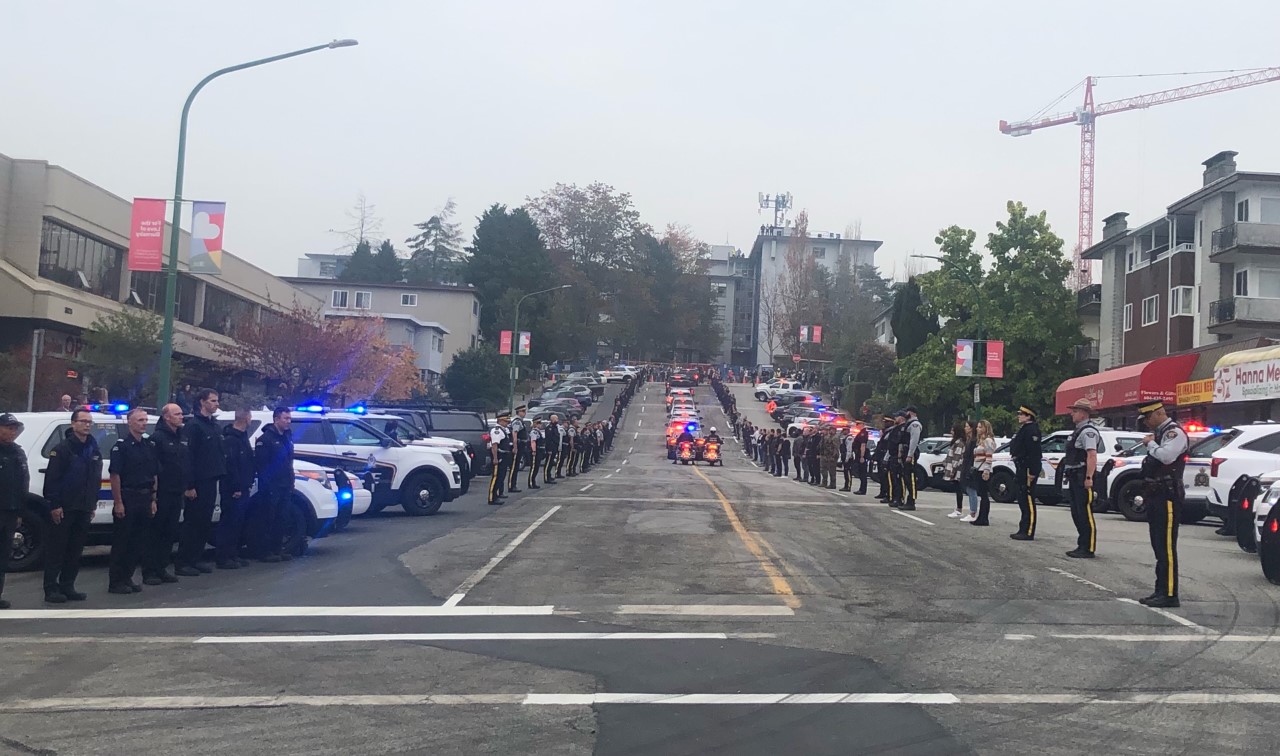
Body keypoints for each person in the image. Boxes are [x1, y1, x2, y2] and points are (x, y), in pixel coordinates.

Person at [40, 408, 102, 603]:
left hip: (83, 507)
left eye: (89, 422)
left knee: (75, 550)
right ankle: (51, 589)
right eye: (83, 421)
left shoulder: (94, 449)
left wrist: (92, 504)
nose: (87, 425)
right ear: (73, 424)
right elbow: (52, 479)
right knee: (57, 549)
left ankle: (68, 585)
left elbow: (95, 479)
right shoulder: (62, 449)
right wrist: (55, 505)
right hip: (65, 507)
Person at [1137, 402, 1190, 608]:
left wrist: (1151, 445)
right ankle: (1161, 589)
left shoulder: (1173, 433)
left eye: (1148, 418)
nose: (1147, 423)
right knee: (1158, 544)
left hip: (1167, 496)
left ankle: (1169, 593)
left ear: (1159, 414)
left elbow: (1167, 457)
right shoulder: (1160, 434)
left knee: (1166, 546)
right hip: (1156, 495)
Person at [107, 408, 158, 595]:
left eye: (145, 420)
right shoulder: (121, 447)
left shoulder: (149, 445)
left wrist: (153, 498)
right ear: (130, 422)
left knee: (138, 541)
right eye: (139, 420)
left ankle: (127, 577)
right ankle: (116, 581)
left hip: (145, 497)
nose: (143, 423)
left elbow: (154, 474)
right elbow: (115, 475)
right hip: (128, 496)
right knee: (123, 541)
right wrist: (118, 502)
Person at [178, 388, 225, 575]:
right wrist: (189, 485)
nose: (216, 404)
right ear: (202, 402)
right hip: (197, 483)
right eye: (213, 401)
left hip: (211, 480)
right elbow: (187, 457)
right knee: (192, 523)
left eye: (217, 400)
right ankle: (183, 562)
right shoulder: (194, 426)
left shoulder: (213, 425)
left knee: (204, 522)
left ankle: (195, 558)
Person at [146, 404, 189, 582]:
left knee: (169, 533)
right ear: (167, 417)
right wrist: (153, 495)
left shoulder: (180, 436)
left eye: (181, 414)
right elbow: (153, 468)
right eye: (177, 414)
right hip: (162, 492)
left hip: (176, 491)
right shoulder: (158, 438)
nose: (181, 417)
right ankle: (149, 571)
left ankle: (161, 568)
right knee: (156, 533)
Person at [253, 407, 295, 561]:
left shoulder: (287, 437)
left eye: (289, 418)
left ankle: (277, 549)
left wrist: (291, 482)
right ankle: (264, 552)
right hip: (271, 487)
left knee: (281, 518)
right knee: (267, 519)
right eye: (285, 418)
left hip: (285, 485)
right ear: (276, 419)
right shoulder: (266, 439)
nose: (288, 421)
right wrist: (268, 486)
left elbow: (288, 462)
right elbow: (262, 466)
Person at [1061, 399, 1101, 558]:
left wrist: (1089, 477)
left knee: (1084, 512)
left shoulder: (1088, 432)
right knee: (1076, 512)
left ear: (1084, 414)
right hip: (1074, 475)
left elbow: (1091, 455)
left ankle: (1088, 547)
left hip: (1082, 475)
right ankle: (1082, 544)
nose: (1072, 413)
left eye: (1075, 411)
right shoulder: (1078, 431)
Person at [217, 408, 254, 570]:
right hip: (233, 489)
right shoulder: (231, 439)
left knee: (238, 523)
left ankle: (233, 554)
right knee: (229, 523)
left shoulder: (242, 437)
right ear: (245, 418)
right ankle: (224, 557)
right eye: (250, 417)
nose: (251, 420)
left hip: (243, 486)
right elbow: (231, 465)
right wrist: (236, 486)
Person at [0, 414, 30, 609]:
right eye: (8, 428)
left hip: (11, 512)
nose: (12, 432)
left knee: (3, 556)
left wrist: (20, 511)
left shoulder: (18, 453)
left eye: (14, 429)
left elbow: (23, 483)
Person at [1009, 405, 1043, 542]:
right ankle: (1022, 528)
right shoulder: (1024, 429)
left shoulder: (1032, 430)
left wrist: (1033, 472)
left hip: (1028, 468)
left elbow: (1034, 453)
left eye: (1021, 414)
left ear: (1029, 416)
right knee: (1022, 499)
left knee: (1028, 500)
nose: (1019, 416)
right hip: (1021, 466)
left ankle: (1028, 531)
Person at [970, 420, 997, 527]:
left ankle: (984, 518)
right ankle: (981, 517)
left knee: (984, 495)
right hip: (978, 468)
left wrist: (986, 471)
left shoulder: (988, 441)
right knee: (982, 494)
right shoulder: (981, 441)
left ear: (986, 428)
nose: (977, 429)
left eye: (980, 427)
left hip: (983, 469)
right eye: (978, 427)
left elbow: (989, 457)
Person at [942, 422, 968, 518]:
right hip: (953, 468)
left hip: (957, 470)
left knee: (959, 489)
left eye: (953, 430)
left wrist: (953, 470)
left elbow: (957, 457)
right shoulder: (955, 442)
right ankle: (958, 508)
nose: (951, 432)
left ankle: (959, 509)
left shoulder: (959, 443)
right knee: (957, 489)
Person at [900, 406, 923, 511]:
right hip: (906, 451)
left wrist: (910, 455)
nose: (906, 413)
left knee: (911, 477)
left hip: (911, 453)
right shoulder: (908, 424)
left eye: (907, 411)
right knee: (906, 477)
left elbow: (914, 440)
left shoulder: (915, 425)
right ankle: (908, 500)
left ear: (912, 413)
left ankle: (912, 501)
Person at [488, 412, 512, 504]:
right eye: (505, 421)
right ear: (500, 421)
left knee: (501, 476)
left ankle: (496, 495)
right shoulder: (496, 430)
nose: (507, 423)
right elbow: (494, 445)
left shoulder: (503, 430)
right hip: (499, 455)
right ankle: (492, 498)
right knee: (496, 477)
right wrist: (495, 458)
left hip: (504, 455)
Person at [874, 416, 896, 501]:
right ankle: (883, 492)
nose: (885, 423)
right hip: (881, 455)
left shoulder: (891, 431)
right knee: (882, 476)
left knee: (886, 477)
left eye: (887, 422)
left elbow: (888, 444)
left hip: (886, 455)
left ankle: (888, 494)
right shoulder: (885, 431)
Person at [507, 406, 529, 493]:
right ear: (518, 412)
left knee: (516, 467)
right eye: (523, 411)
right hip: (518, 445)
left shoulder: (520, 421)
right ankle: (511, 486)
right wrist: (515, 447)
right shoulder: (517, 421)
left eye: (525, 411)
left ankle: (513, 485)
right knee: (514, 467)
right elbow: (514, 434)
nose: (524, 413)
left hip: (521, 445)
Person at [543, 415, 561, 485]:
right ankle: (546, 478)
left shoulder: (555, 427)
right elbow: (548, 439)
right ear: (552, 419)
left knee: (551, 463)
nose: (557, 420)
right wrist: (549, 449)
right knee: (548, 463)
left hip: (554, 447)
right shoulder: (549, 428)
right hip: (550, 448)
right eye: (556, 419)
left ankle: (549, 476)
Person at [527, 418, 544, 490]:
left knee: (536, 467)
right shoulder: (534, 432)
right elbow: (533, 441)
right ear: (535, 424)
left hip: (539, 450)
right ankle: (531, 483)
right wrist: (534, 451)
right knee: (533, 467)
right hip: (535, 451)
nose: (540, 424)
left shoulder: (538, 432)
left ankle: (533, 482)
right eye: (539, 423)